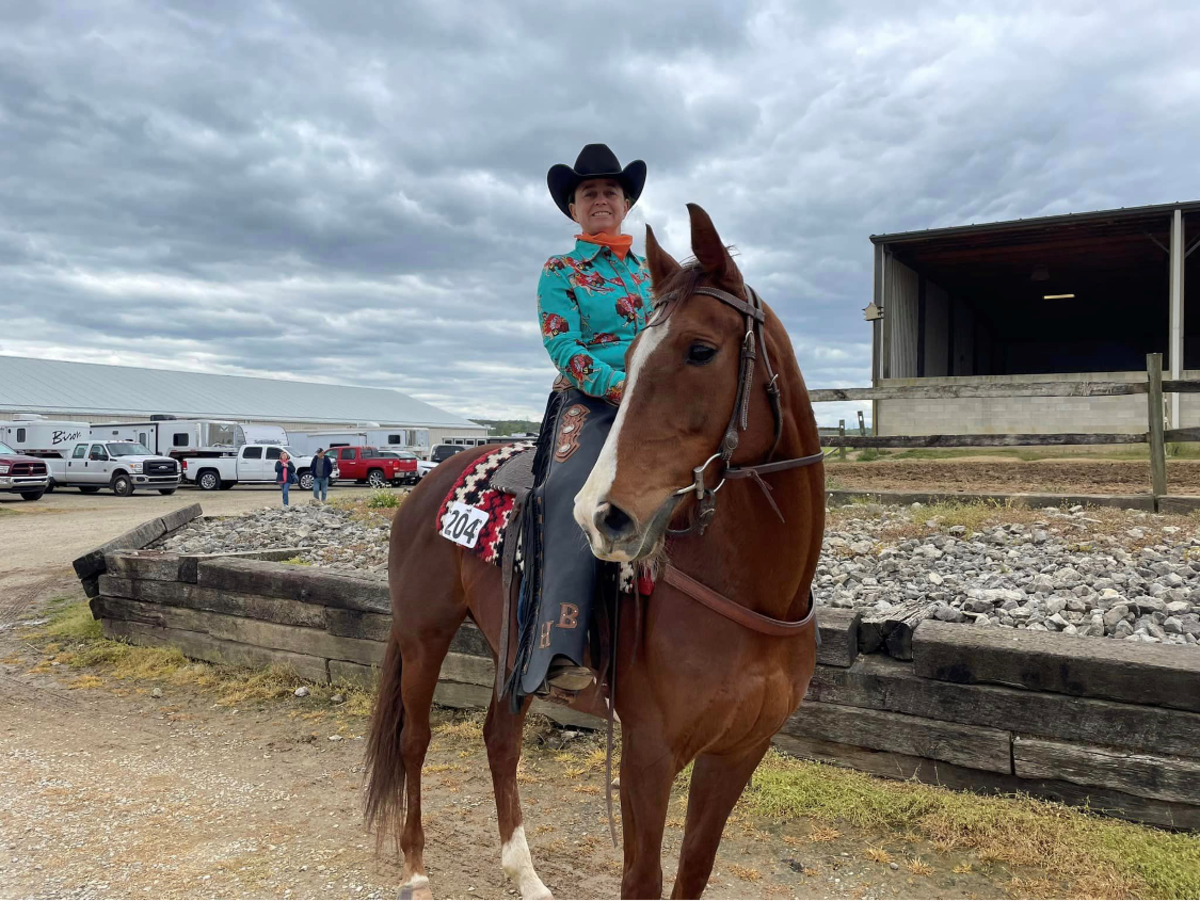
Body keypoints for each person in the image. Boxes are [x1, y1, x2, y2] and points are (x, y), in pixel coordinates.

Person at [506, 143, 654, 707]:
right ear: (574, 208)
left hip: (654, 399)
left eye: (609, 191)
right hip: (589, 398)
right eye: (588, 192)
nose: (600, 199)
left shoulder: (650, 274)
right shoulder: (560, 271)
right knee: (570, 489)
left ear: (625, 203)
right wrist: (621, 386)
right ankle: (557, 645)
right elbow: (563, 345)